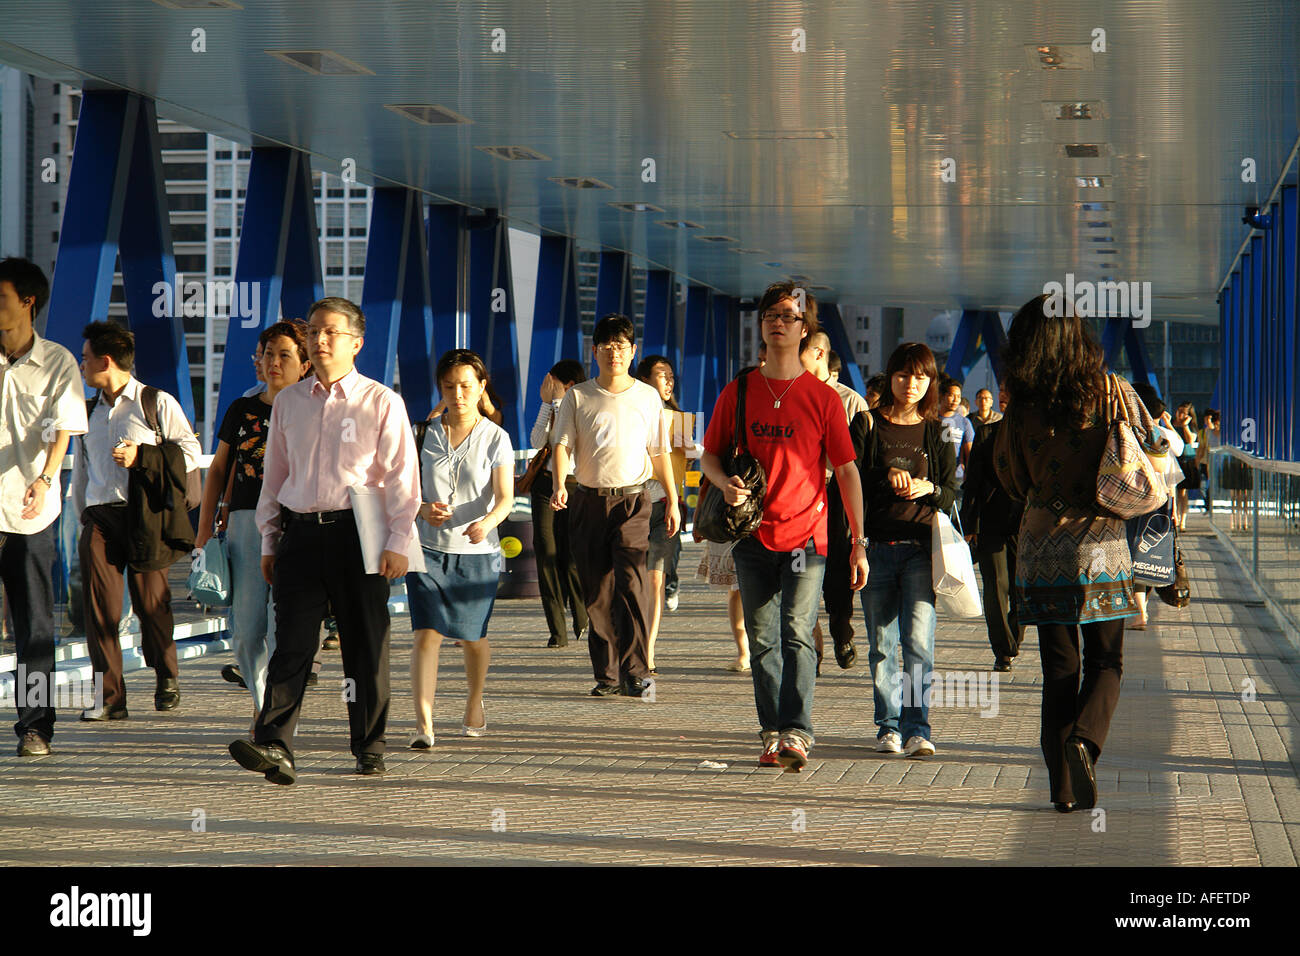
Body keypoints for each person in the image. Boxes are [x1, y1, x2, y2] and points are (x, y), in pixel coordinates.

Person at [229, 297, 419, 785]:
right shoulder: (290, 401)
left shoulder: (381, 401)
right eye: (313, 332)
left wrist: (399, 540)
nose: (320, 340)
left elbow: (402, 479)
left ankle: (370, 746)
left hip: (362, 537)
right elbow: (275, 475)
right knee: (291, 644)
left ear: (357, 342)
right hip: (299, 537)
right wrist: (270, 541)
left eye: (331, 332)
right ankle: (274, 744)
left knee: (365, 647)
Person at [994, 293, 1167, 813]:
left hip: (1040, 549)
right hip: (1101, 548)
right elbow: (1154, 453)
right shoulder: (1112, 391)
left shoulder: (1020, 405)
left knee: (1058, 673)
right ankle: (1085, 742)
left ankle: (1062, 795)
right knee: (1107, 661)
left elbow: (1010, 476)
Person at [701, 282, 867, 772]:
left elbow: (849, 470)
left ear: (804, 329)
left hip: (807, 537)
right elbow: (709, 455)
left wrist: (859, 543)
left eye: (789, 316)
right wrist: (723, 483)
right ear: (762, 323)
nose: (778, 321)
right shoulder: (741, 390)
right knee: (762, 635)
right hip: (753, 535)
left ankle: (799, 731)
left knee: (796, 629)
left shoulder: (822, 398)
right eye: (771, 313)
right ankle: (772, 730)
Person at [72, 321, 201, 721]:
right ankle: (110, 699)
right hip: (100, 518)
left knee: (151, 606)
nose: (82, 364)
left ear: (105, 361)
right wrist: (83, 515)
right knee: (100, 612)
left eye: (86, 357)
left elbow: (191, 452)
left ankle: (166, 675)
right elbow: (81, 468)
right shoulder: (88, 411)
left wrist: (141, 455)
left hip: (146, 518)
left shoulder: (155, 402)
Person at [551, 314, 677, 699]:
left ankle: (636, 671)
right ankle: (606, 675)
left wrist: (672, 499)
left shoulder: (646, 396)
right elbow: (562, 444)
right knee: (598, 592)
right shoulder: (579, 396)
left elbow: (660, 451)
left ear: (632, 350)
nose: (614, 352)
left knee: (633, 584)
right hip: (588, 501)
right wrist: (559, 483)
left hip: (634, 501)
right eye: (606, 346)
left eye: (621, 345)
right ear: (595, 351)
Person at [196, 321, 311, 725]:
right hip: (245, 524)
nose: (274, 362)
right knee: (246, 629)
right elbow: (217, 471)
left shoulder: (314, 410)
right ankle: (263, 705)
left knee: (285, 627)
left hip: (297, 523)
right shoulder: (242, 409)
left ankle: (276, 715)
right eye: (268, 354)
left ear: (305, 363)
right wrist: (203, 533)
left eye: (285, 355)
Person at [0, 259, 88, 756]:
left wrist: (45, 476)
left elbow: (65, 427)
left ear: (28, 301)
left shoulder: (58, 363)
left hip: (29, 514)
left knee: (34, 629)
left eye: (2, 297)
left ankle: (35, 726)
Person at [407, 349, 514, 748]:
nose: (458, 394)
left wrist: (487, 522)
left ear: (482, 387)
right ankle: (424, 725)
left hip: (478, 553)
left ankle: (474, 700)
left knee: (473, 637)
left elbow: (505, 497)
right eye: (449, 386)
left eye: (466, 385)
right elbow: (402, 490)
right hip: (427, 550)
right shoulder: (422, 433)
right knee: (426, 635)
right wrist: (420, 508)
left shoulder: (496, 438)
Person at [857, 342, 958, 758]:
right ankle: (888, 726)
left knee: (918, 642)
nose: (911, 384)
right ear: (890, 376)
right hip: (876, 546)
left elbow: (952, 490)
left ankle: (918, 727)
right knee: (883, 644)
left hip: (920, 548)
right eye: (903, 375)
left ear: (930, 381)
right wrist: (888, 477)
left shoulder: (935, 431)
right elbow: (854, 481)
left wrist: (927, 488)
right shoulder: (866, 424)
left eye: (920, 377)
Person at [800, 331, 869, 670]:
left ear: (818, 353)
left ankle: (841, 631)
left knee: (838, 571)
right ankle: (808, 644)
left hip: (836, 495)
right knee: (800, 570)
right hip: (800, 495)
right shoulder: (791, 395)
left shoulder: (852, 402)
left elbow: (858, 462)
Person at [635, 354, 696, 673]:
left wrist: (687, 445)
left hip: (665, 505)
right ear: (644, 380)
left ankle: (648, 650)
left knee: (656, 579)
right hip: (632, 505)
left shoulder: (680, 418)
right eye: (661, 375)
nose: (669, 381)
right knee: (635, 580)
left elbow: (695, 456)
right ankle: (630, 640)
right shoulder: (630, 414)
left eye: (671, 376)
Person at [961, 384, 1024, 671]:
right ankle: (1003, 650)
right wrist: (969, 524)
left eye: (1008, 391)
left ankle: (1013, 639)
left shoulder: (1038, 438)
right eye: (1001, 391)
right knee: (996, 587)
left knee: (1022, 590)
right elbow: (972, 483)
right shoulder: (986, 436)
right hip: (991, 522)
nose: (1003, 396)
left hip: (1027, 526)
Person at [529, 359, 589, 648]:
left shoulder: (583, 407)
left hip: (576, 486)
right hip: (544, 484)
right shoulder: (551, 408)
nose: (552, 389)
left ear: (571, 386)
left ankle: (581, 615)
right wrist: (548, 404)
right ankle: (557, 630)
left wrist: (559, 403)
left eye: (556, 384)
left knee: (571, 555)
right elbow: (538, 439)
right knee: (545, 551)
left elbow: (574, 445)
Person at [1129, 383, 1184, 630]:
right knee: (1151, 555)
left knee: (1134, 554)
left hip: (1133, 502)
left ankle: (1140, 612)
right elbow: (1177, 457)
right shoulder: (1163, 434)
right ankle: (1142, 609)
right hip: (1161, 502)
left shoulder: (1128, 431)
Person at [938, 377, 975, 494]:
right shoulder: (931, 420)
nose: (955, 400)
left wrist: (969, 476)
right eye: (951, 395)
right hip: (934, 476)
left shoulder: (965, 422)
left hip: (957, 478)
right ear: (941, 396)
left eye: (958, 396)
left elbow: (969, 452)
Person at [1171, 402, 1198, 531]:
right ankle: (1174, 517)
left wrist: (1185, 425)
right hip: (1172, 459)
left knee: (1183, 492)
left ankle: (1183, 521)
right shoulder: (1170, 423)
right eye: (1179, 411)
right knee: (1172, 491)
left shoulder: (1191, 427)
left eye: (1184, 413)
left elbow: (1190, 441)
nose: (1180, 415)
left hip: (1186, 461)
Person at [1194, 410, 1220, 518]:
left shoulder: (1226, 433)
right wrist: (1197, 460)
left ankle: (1210, 506)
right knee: (1203, 486)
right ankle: (1208, 505)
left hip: (1219, 462)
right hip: (1207, 462)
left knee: (1212, 485)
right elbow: (1202, 447)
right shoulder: (1205, 432)